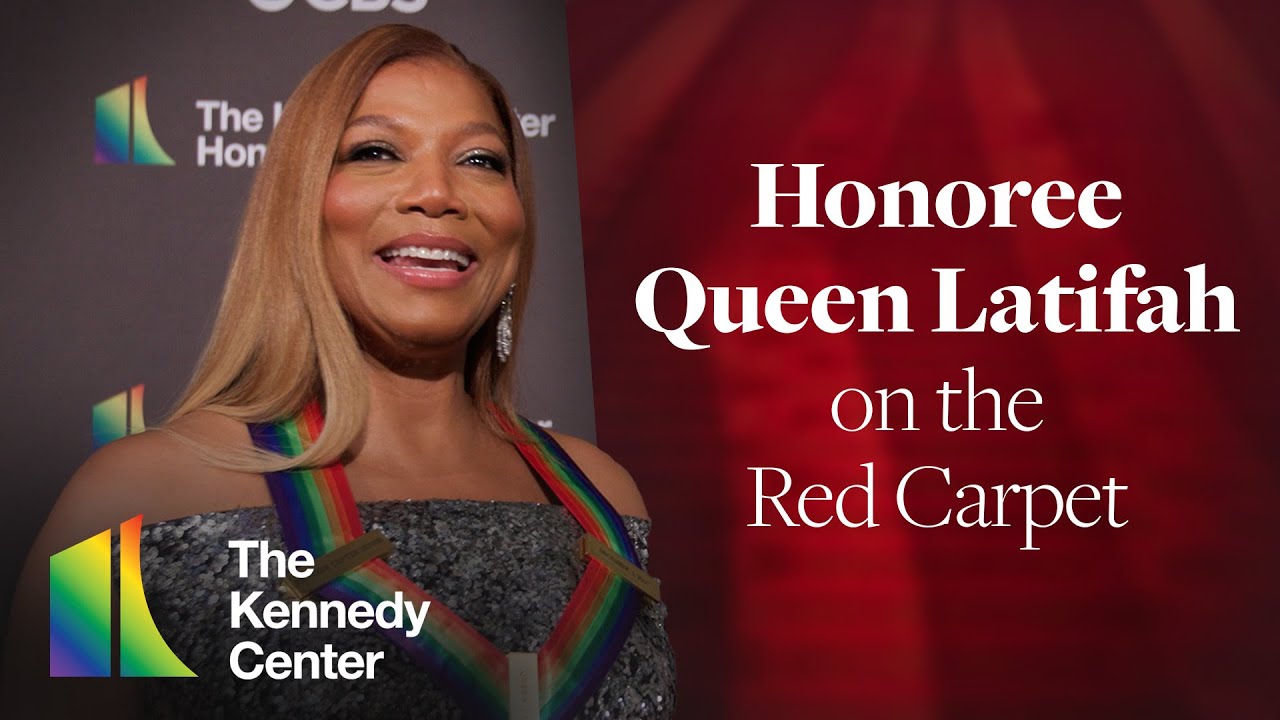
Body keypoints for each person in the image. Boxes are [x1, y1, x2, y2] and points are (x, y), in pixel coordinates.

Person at [4, 24, 675, 719]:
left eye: (480, 160)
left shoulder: (606, 499)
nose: (438, 193)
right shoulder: (124, 506)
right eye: (377, 151)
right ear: (300, 207)